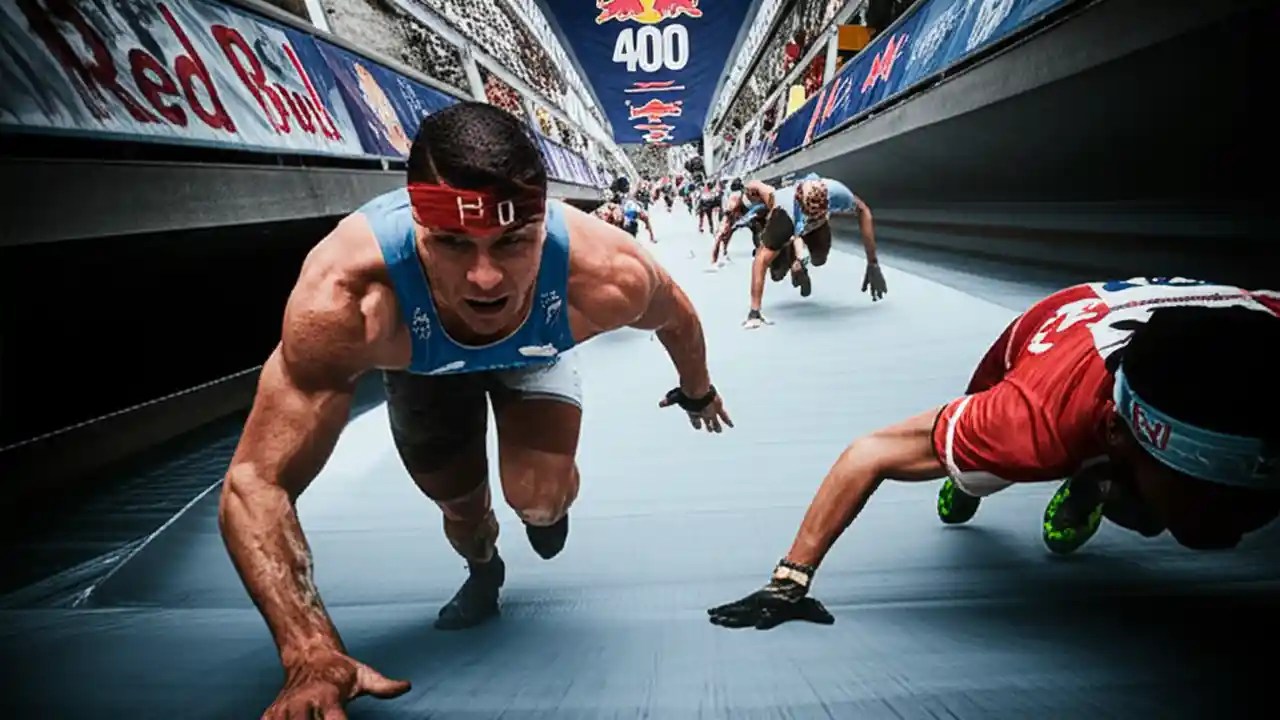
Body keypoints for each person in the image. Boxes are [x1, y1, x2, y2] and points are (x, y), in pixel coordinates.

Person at [218, 102, 734, 718]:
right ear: (417, 228)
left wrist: (698, 389)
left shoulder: (605, 272)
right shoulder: (345, 299)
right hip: (420, 367)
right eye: (454, 243)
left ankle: (542, 515)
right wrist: (309, 651)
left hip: (532, 347)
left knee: (540, 497)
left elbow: (676, 315)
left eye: (513, 242)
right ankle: (483, 566)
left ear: (544, 227)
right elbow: (256, 481)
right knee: (462, 512)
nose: (485, 279)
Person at [707, 278, 1280, 630]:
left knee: (1156, 513)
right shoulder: (1024, 420)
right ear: (1117, 432)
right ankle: (986, 476)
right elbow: (870, 452)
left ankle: (1105, 481)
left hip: (1140, 372)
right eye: (1210, 497)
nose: (1236, 531)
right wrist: (790, 579)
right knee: (994, 466)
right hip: (1050, 338)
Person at [741, 174, 887, 330]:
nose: (812, 216)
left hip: (816, 228)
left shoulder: (837, 191)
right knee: (777, 274)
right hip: (787, 224)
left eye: (817, 213)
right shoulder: (783, 210)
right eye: (809, 213)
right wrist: (754, 312)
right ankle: (790, 254)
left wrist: (873, 262)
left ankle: (799, 263)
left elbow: (863, 210)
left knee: (820, 259)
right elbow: (760, 260)